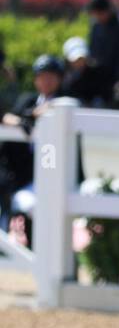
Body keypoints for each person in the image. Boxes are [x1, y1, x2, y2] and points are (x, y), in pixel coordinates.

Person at [2, 55, 64, 229]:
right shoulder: (28, 100)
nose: (46, 81)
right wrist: (25, 119)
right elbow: (9, 116)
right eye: (42, 76)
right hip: (23, 174)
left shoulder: (64, 101)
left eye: (51, 76)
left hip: (52, 171)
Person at [86, 0, 119, 108]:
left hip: (116, 78)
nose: (97, 17)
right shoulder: (96, 25)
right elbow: (92, 50)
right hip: (99, 78)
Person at [60, 37, 112, 107]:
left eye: (82, 59)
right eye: (76, 60)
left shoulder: (98, 74)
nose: (79, 62)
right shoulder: (61, 75)